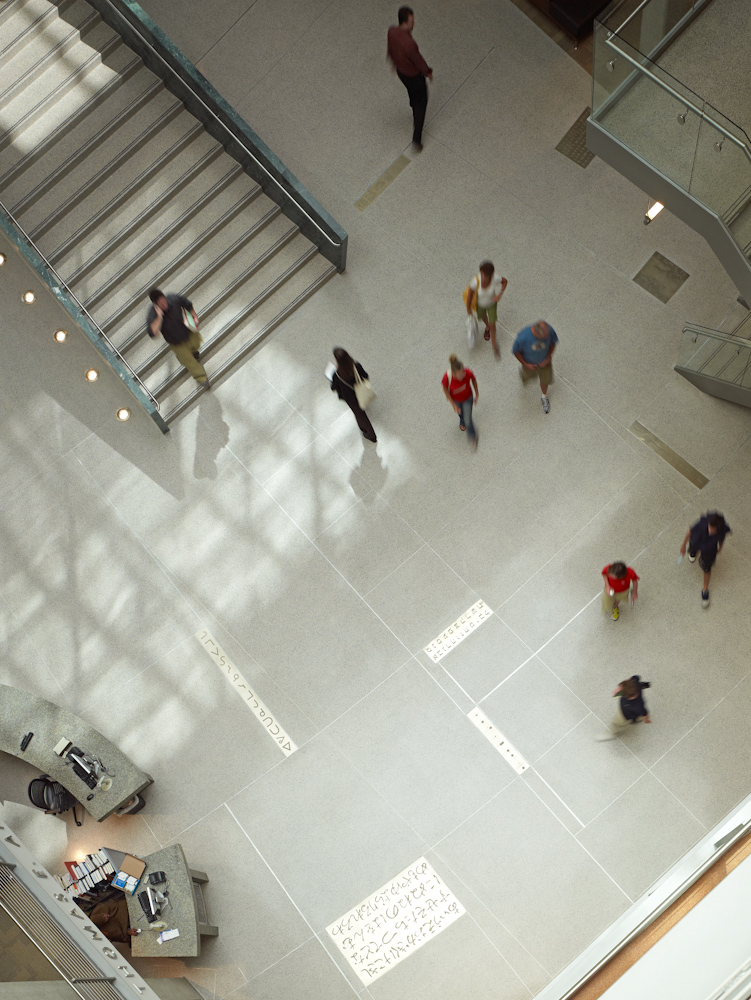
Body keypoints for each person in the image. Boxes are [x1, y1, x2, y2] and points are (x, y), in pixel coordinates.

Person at [387, 6, 433, 150]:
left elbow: (390, 48)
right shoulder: (410, 44)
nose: (414, 24)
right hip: (414, 77)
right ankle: (416, 139)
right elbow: (418, 61)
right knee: (422, 103)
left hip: (402, 73)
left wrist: (394, 62)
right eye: (412, 21)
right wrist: (428, 72)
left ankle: (413, 105)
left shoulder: (392, 31)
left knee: (412, 94)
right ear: (405, 22)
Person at [146, 288, 209, 388]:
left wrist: (194, 315)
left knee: (196, 344)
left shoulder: (173, 298)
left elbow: (187, 304)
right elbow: (153, 333)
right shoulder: (152, 314)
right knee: (189, 361)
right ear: (156, 305)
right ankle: (201, 378)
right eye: (161, 304)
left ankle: (191, 353)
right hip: (176, 342)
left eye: (164, 301)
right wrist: (159, 317)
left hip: (188, 332)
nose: (164, 304)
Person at [680, 511, 731, 608]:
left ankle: (705, 590)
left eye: (713, 530)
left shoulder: (721, 530)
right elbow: (690, 532)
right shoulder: (701, 524)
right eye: (710, 528)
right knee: (693, 546)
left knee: (707, 568)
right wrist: (683, 545)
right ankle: (693, 552)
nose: (711, 531)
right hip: (697, 540)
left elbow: (721, 538)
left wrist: (720, 547)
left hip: (709, 548)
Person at [330, 348, 377, 443]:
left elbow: (333, 387)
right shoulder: (357, 366)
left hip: (351, 399)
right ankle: (370, 433)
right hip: (361, 393)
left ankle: (371, 435)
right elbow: (365, 376)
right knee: (360, 412)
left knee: (360, 415)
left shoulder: (337, 375)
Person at [512, 320, 558, 413]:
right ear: (536, 334)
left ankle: (544, 396)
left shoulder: (549, 330)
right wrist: (525, 364)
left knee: (545, 379)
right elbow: (516, 352)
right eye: (543, 338)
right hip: (529, 364)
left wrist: (548, 357)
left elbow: (553, 343)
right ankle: (524, 373)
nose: (546, 339)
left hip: (545, 362)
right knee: (528, 377)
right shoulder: (522, 338)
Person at [466, 261, 507, 359]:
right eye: (483, 274)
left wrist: (500, 294)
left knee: (493, 324)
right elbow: (470, 295)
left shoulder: (495, 278)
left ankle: (494, 346)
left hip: (492, 303)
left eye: (486, 276)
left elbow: (505, 282)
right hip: (479, 304)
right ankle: (487, 326)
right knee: (482, 317)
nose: (484, 278)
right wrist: (468, 309)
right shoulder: (475, 281)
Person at [441, 353, 478, 450]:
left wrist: (477, 394)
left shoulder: (467, 372)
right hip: (456, 400)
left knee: (467, 419)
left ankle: (473, 436)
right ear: (453, 373)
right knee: (460, 413)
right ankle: (462, 419)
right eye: (460, 374)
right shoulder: (447, 378)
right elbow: (445, 389)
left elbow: (473, 380)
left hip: (467, 399)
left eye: (463, 373)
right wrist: (453, 404)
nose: (463, 375)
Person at [597, 676, 651, 740]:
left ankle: (612, 733)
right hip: (634, 712)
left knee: (616, 723)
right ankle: (639, 718)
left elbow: (645, 713)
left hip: (625, 716)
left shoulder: (638, 705)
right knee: (639, 716)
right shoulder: (635, 682)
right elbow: (635, 677)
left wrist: (646, 720)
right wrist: (619, 688)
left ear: (632, 696)